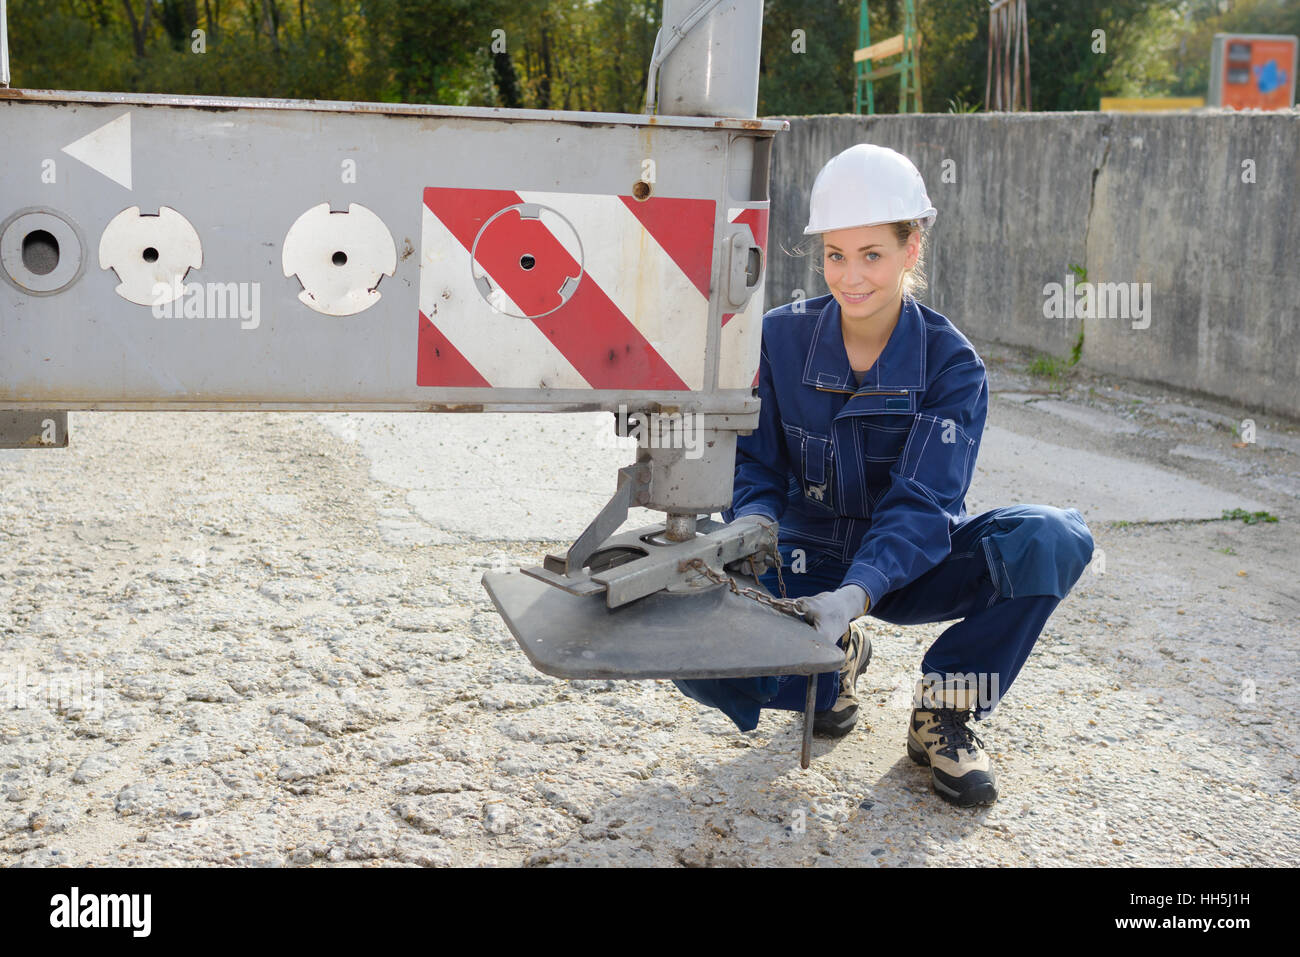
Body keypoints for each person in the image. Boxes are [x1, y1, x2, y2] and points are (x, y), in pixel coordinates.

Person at [673, 144, 1095, 808]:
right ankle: (831, 669)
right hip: (802, 557)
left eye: (872, 254)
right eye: (836, 255)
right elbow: (754, 464)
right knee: (691, 645)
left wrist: (856, 593)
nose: (851, 276)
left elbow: (924, 504)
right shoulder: (779, 341)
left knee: (1052, 539)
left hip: (911, 564)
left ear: (911, 248)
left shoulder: (951, 365)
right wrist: (756, 539)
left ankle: (944, 709)